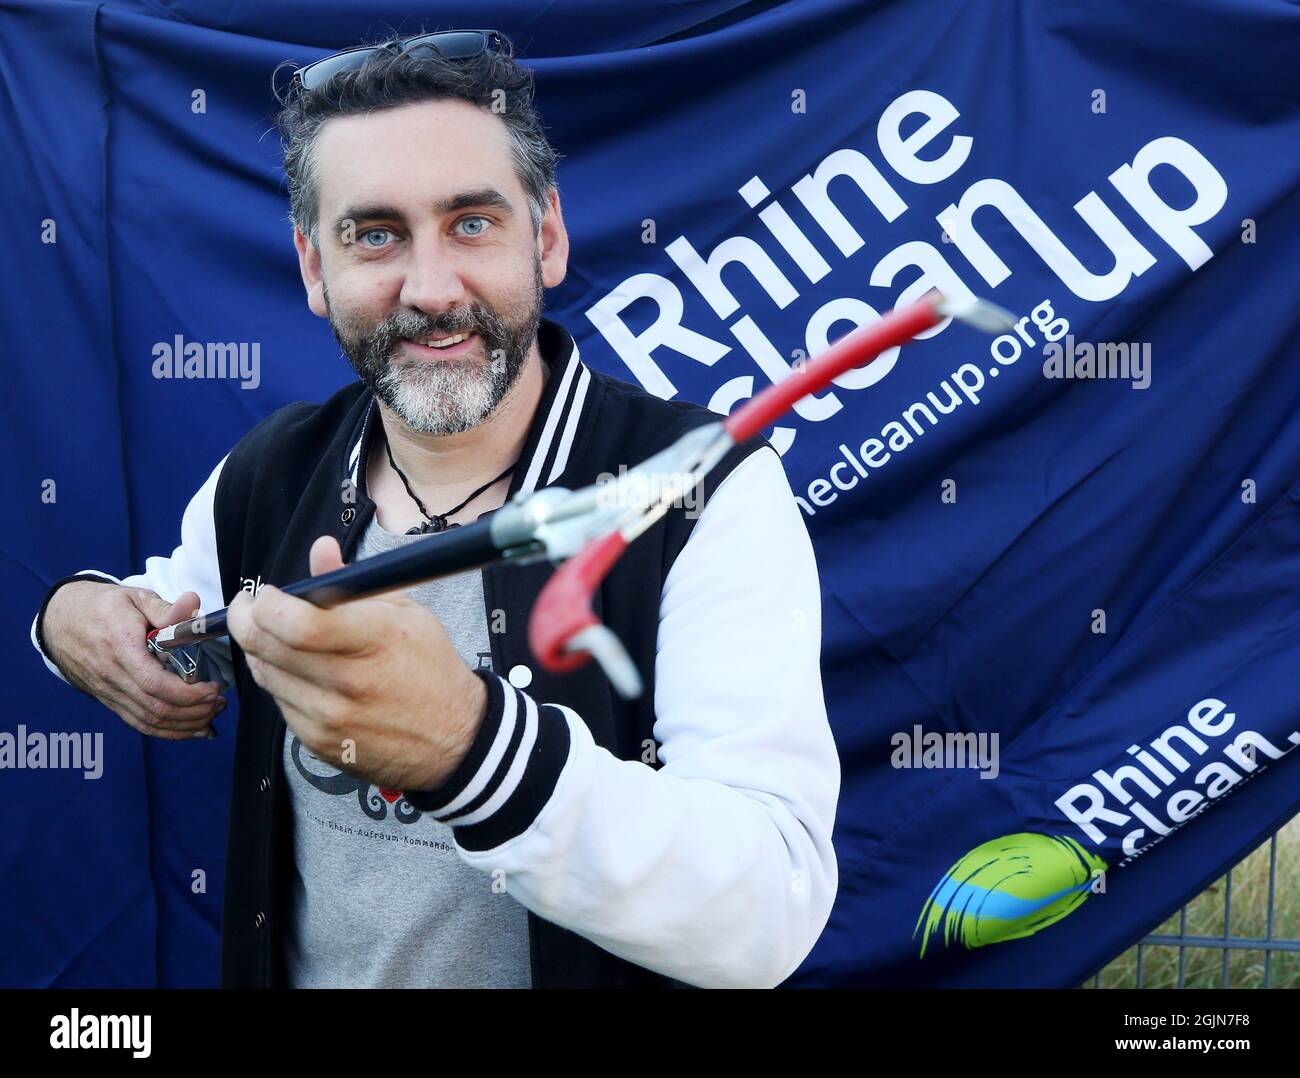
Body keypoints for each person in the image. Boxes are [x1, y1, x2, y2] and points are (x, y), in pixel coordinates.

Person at [30, 29, 839, 989]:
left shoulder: (705, 491)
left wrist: (468, 744)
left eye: (471, 223)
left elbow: (766, 913)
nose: (431, 290)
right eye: (375, 235)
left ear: (545, 236)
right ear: (312, 268)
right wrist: (70, 619)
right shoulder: (269, 471)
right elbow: (163, 611)